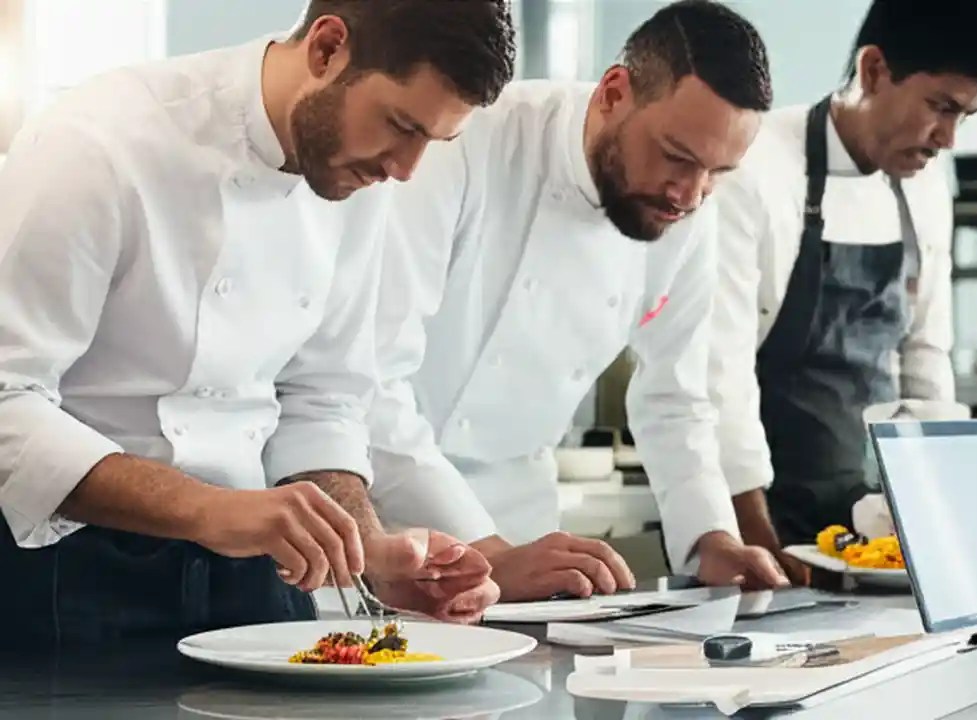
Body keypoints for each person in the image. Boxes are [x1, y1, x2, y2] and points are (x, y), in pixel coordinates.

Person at [0, 0, 516, 645]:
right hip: (70, 573)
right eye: (400, 124)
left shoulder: (353, 177)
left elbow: (322, 398)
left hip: (256, 584)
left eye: (432, 143)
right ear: (328, 48)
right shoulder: (97, 141)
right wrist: (213, 510)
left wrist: (367, 557)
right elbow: (7, 399)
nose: (404, 170)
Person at [370, 0, 789, 602]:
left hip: (525, 527)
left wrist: (711, 539)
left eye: (717, 172)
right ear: (614, 93)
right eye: (676, 155)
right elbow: (375, 382)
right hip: (392, 526)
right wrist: (485, 555)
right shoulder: (466, 140)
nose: (690, 194)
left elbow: (676, 397)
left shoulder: (686, 210)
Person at [708, 0, 977, 577]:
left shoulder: (923, 190)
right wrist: (754, 538)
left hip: (879, 529)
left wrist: (943, 526)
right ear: (874, 69)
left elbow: (924, 357)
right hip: (761, 521)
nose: (948, 138)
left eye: (965, 116)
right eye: (939, 107)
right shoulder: (755, 169)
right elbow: (719, 373)